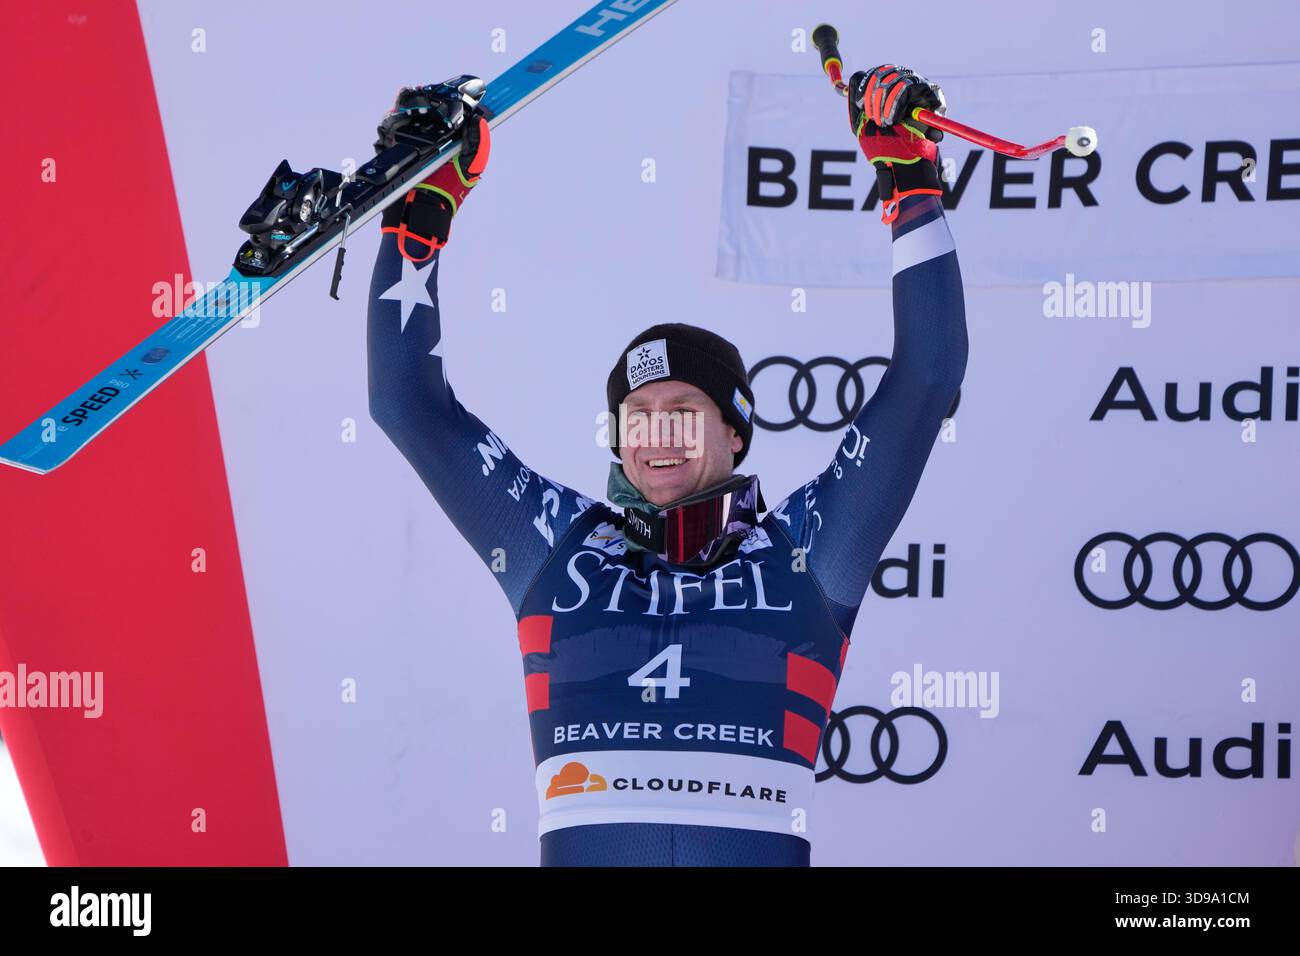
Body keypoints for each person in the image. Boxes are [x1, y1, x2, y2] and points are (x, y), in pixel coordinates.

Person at [367, 64, 968, 866]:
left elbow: (927, 376)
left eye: (683, 412)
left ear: (737, 433)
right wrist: (421, 215)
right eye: (637, 418)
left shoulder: (809, 552)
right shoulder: (558, 546)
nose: (658, 435)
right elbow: (407, 406)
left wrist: (910, 184)